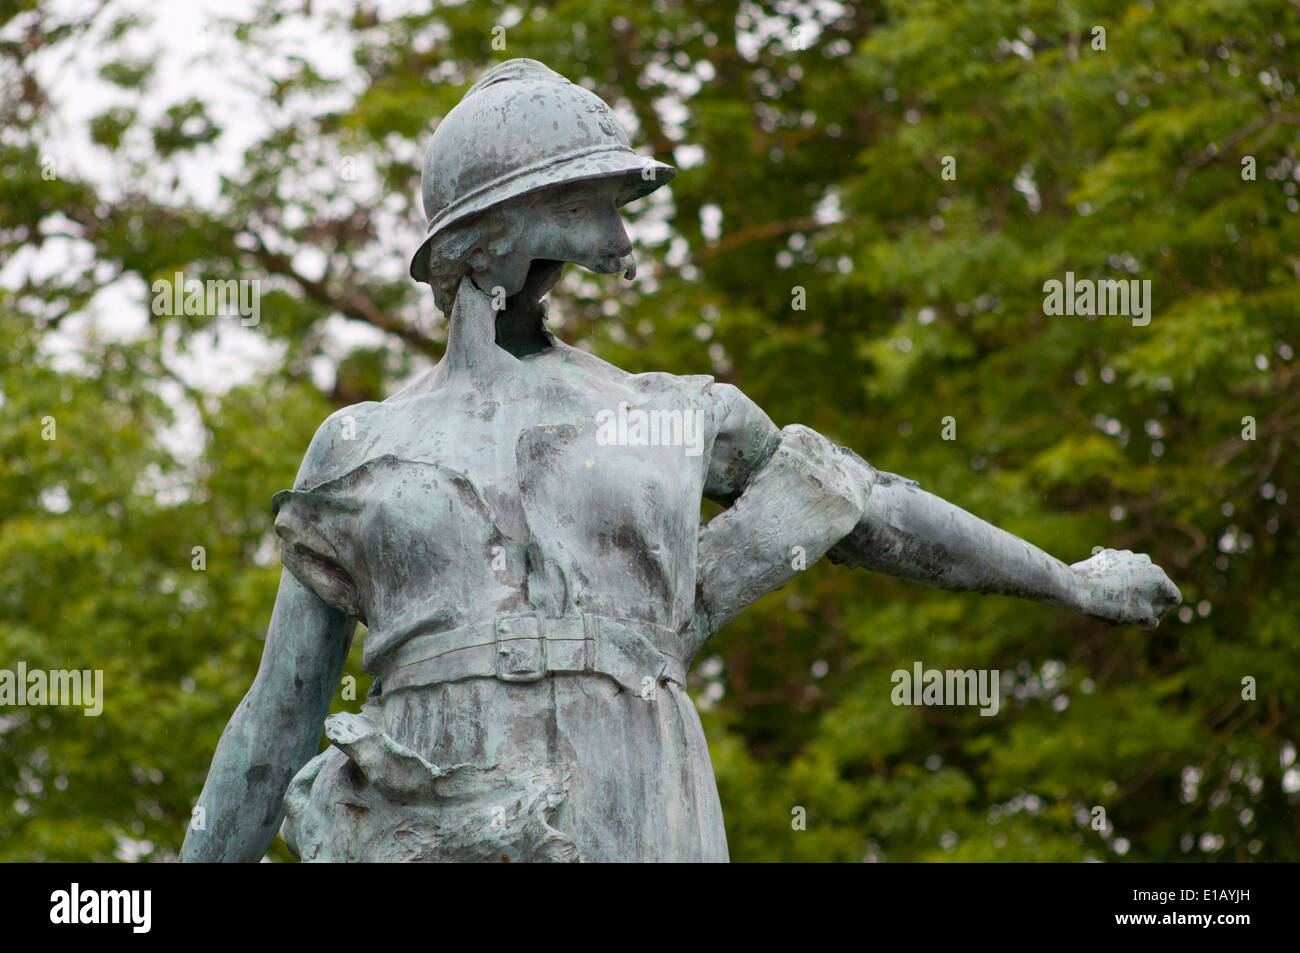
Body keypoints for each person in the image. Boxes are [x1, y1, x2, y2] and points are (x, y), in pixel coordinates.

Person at [180, 59, 1179, 863]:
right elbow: (277, 718)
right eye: (582, 208)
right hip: (421, 810)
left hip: (636, 790)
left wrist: (1065, 578)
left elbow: (865, 507)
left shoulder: (661, 411)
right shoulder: (360, 446)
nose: (616, 238)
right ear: (486, 239)